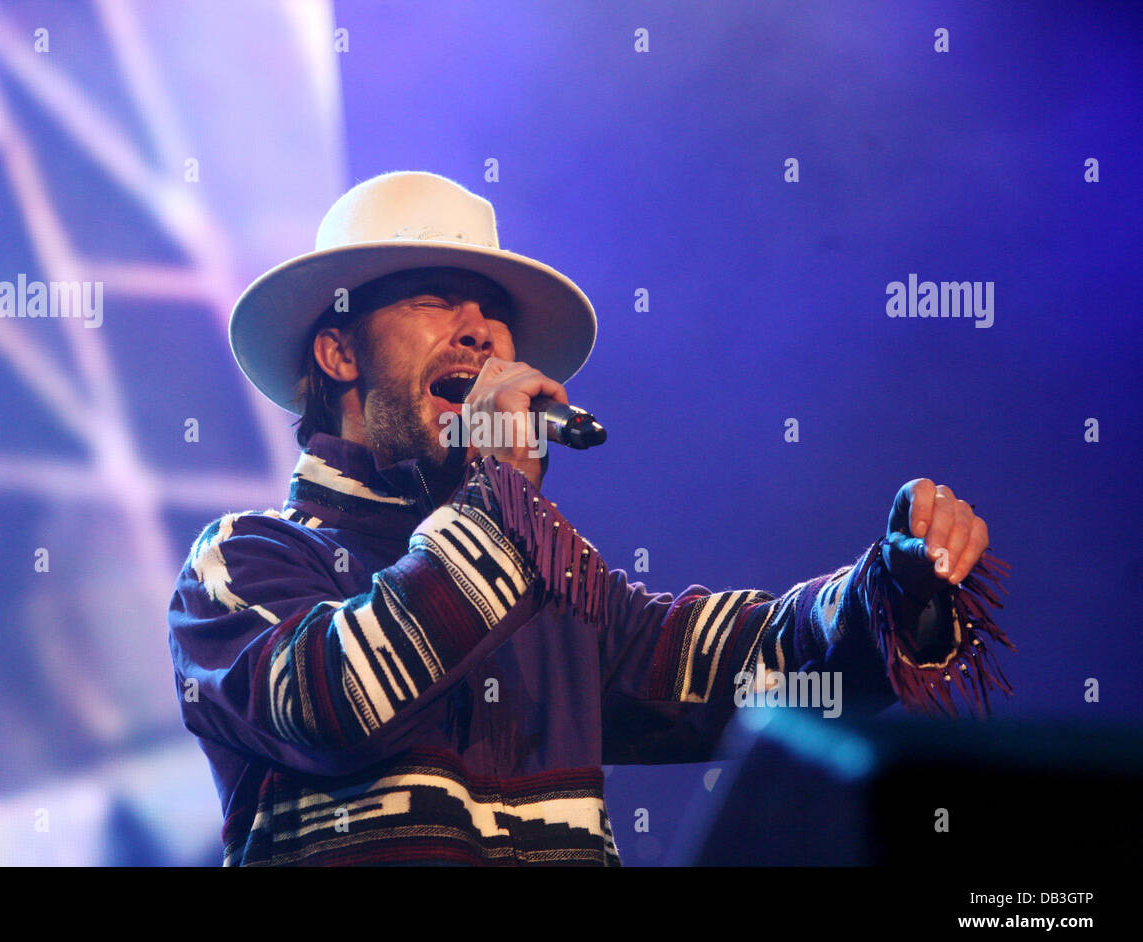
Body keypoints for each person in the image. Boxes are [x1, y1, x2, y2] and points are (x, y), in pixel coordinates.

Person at [168, 171, 1014, 866]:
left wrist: (893, 592)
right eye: (435, 297)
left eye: (491, 312)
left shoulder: (555, 590)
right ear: (340, 352)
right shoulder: (244, 564)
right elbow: (337, 702)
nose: (478, 332)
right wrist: (501, 494)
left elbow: (741, 666)